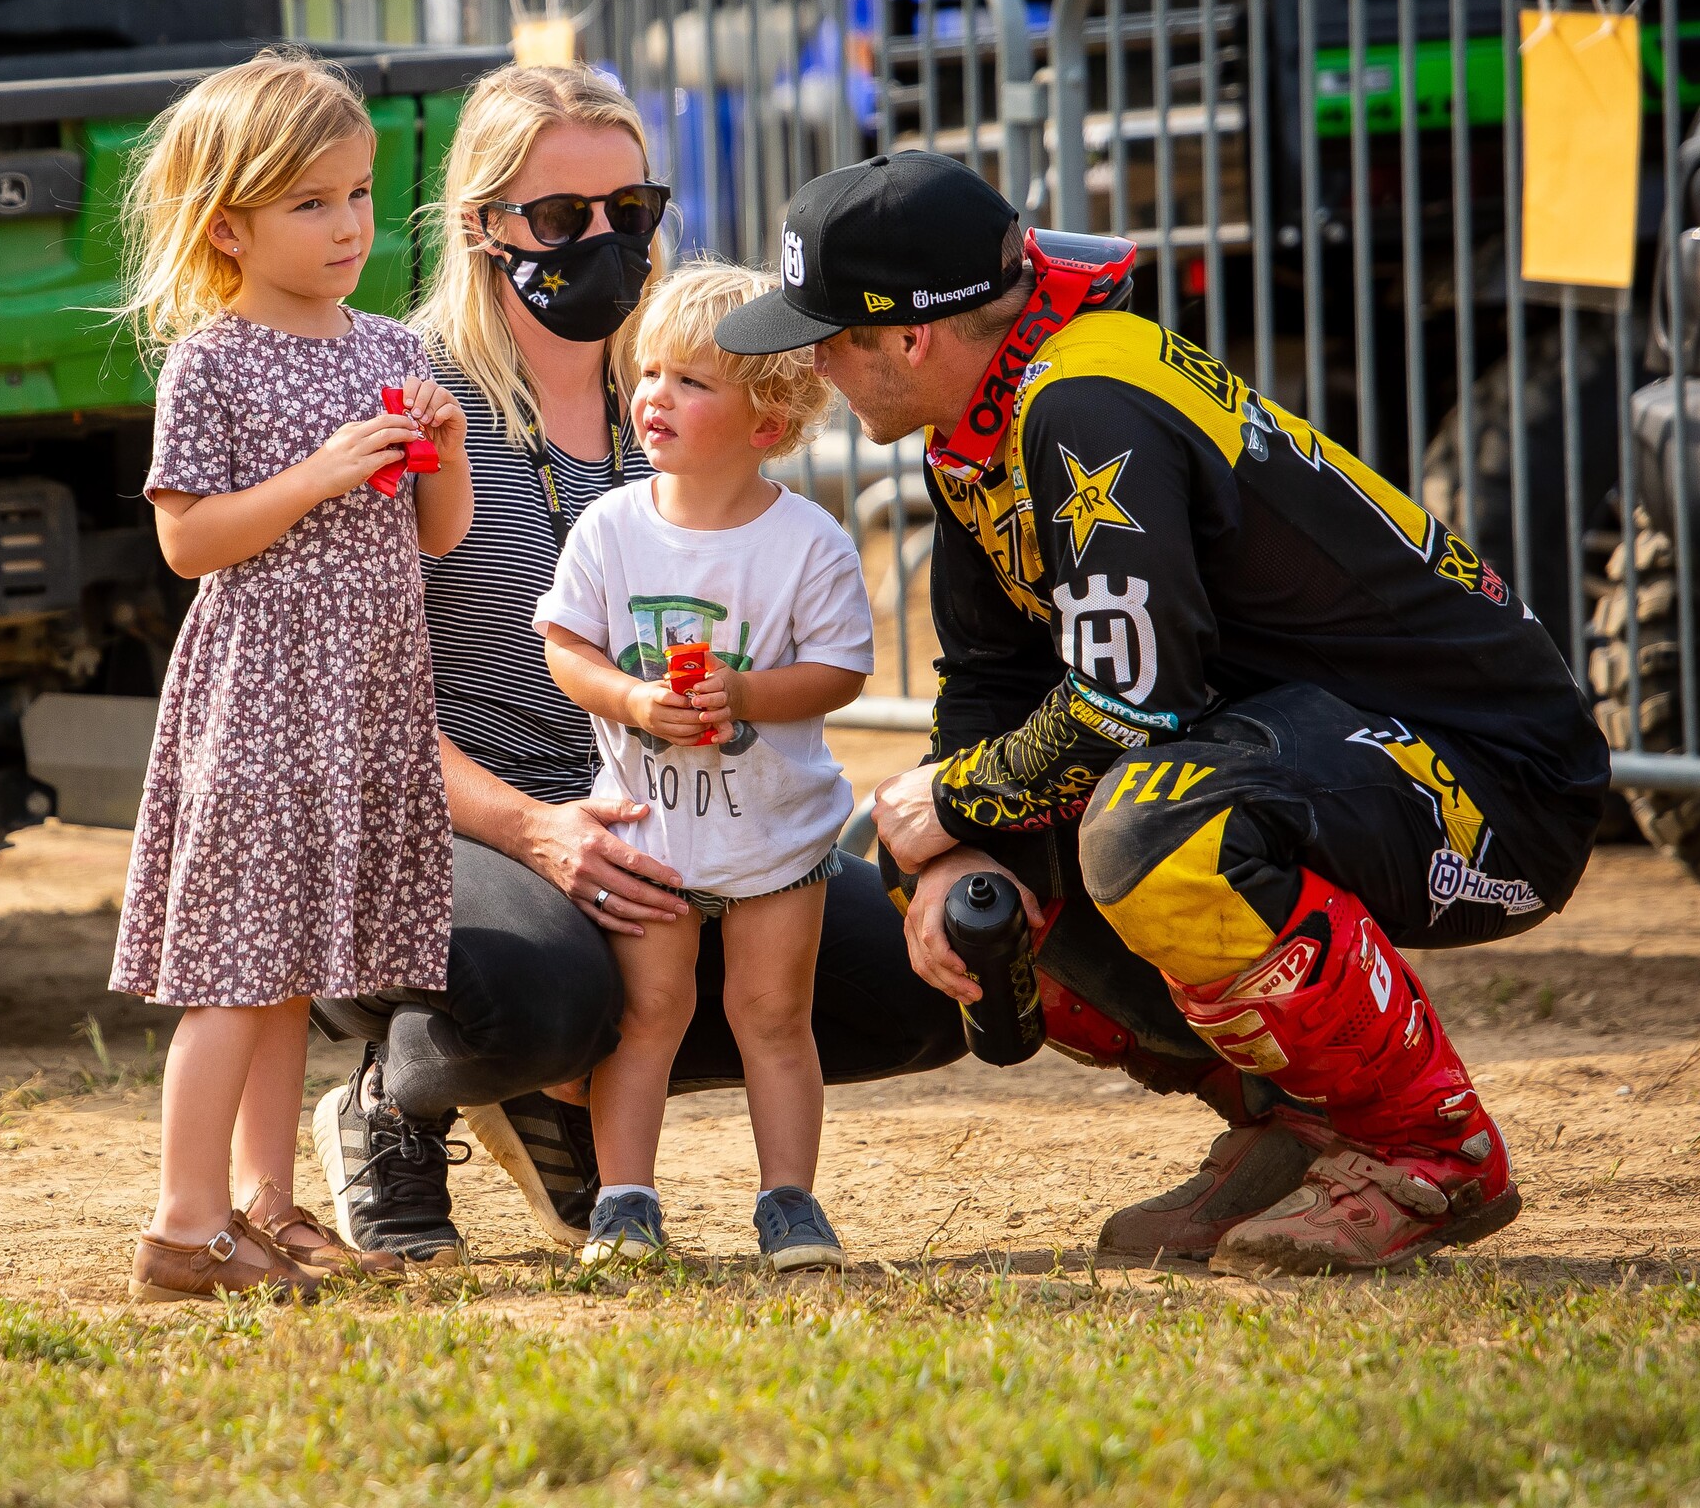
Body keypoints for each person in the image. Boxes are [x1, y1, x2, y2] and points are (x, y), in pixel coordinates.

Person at [716, 149, 1611, 1276]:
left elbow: (1128, 701)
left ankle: (1428, 1151)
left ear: (913, 338)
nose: (812, 362)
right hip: (1325, 746)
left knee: (1155, 831)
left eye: (830, 335)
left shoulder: (1085, 404)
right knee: (922, 846)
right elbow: (990, 682)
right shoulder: (982, 420)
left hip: (1498, 784)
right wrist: (953, 846)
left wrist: (955, 798)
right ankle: (1294, 1121)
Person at [309, 64, 969, 1267]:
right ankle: (395, 1099)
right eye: (564, 216)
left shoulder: (687, 386)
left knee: (922, 980)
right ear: (483, 226)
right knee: (542, 994)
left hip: (669, 814)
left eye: (632, 210)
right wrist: (536, 830)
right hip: (456, 818)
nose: (606, 243)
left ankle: (567, 1092)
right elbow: (352, 705)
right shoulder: (410, 398)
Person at [107, 51, 474, 1302]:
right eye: (311, 203)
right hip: (262, 698)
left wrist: (445, 450)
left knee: (293, 967)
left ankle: (268, 1206)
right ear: (228, 226)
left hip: (357, 698)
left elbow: (438, 536)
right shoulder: (211, 362)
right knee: (234, 966)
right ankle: (184, 1222)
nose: (350, 225)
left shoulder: (390, 346)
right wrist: (320, 472)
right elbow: (189, 541)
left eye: (360, 194)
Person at [537, 263, 870, 1270]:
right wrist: (633, 700)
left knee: (774, 1016)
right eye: (648, 373)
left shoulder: (808, 541)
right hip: (652, 833)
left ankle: (789, 1203)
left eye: (690, 382)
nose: (654, 397)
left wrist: (748, 694)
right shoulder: (610, 526)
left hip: (776, 835)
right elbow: (566, 646)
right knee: (648, 1013)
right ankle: (625, 1204)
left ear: (768, 423)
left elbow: (840, 670)